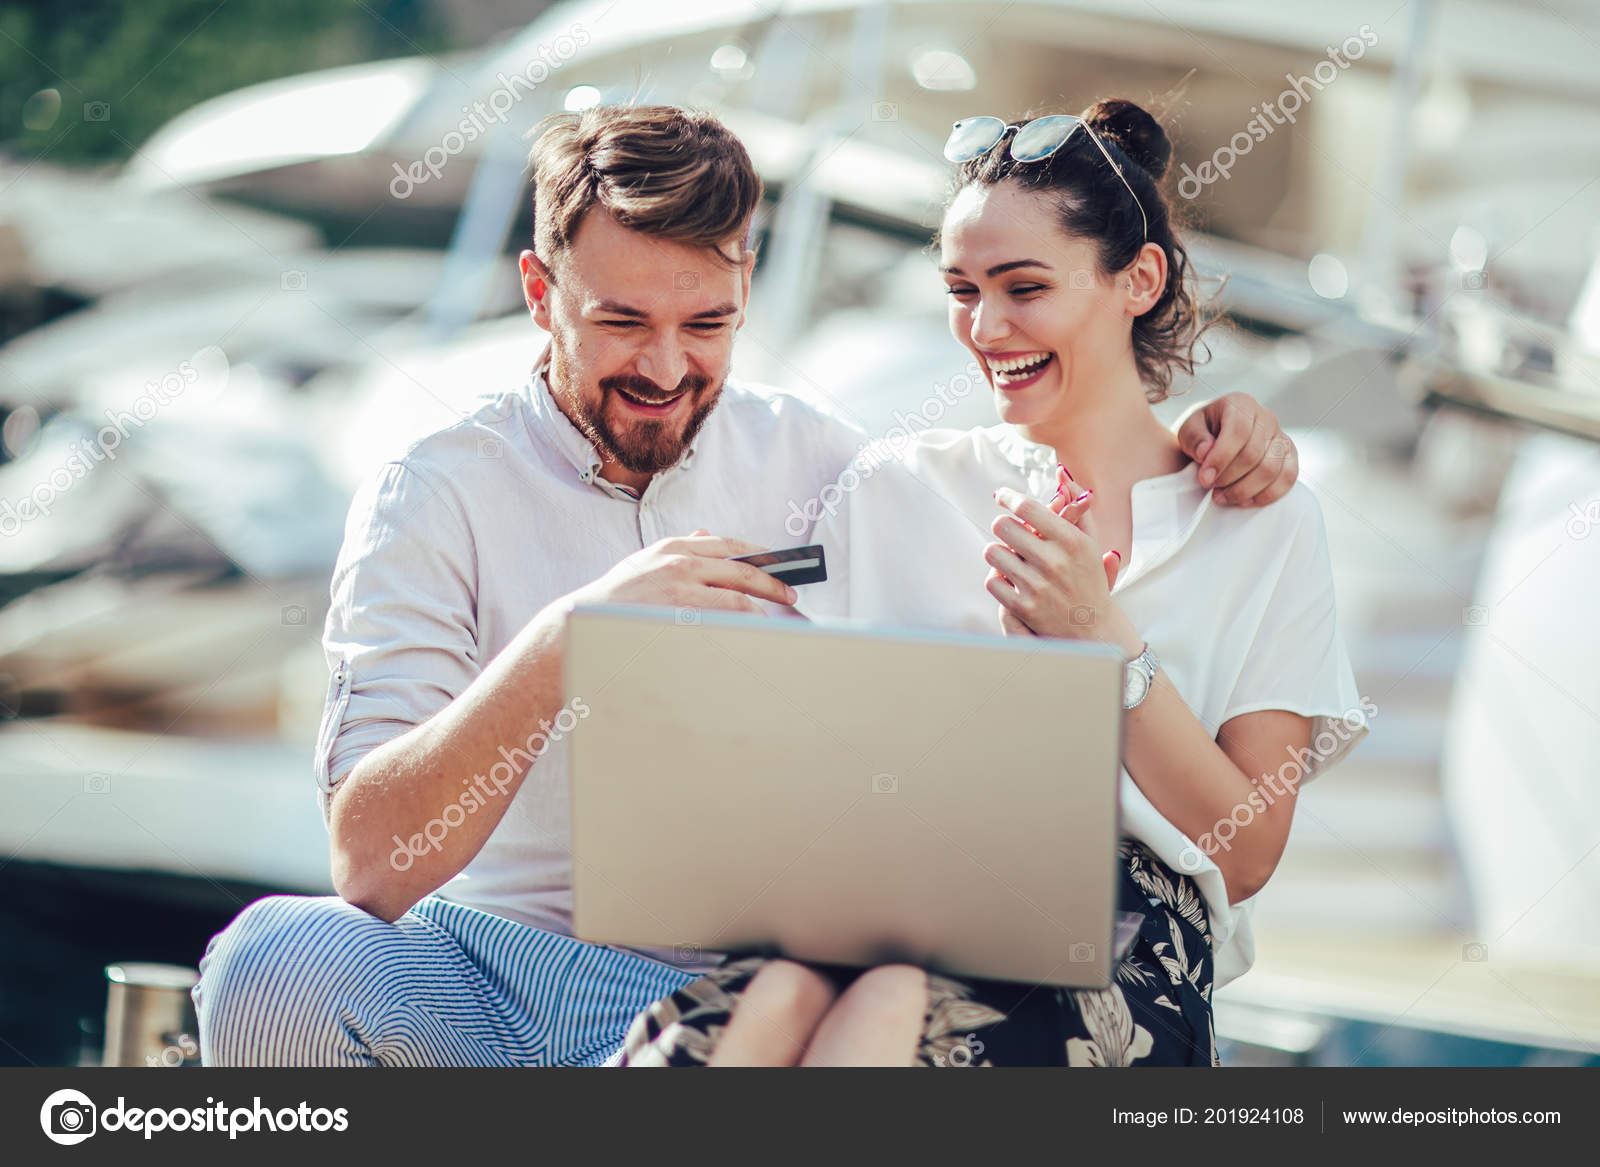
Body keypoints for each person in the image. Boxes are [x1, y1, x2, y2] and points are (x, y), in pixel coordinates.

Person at [192, 104, 1300, 1067]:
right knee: (272, 960)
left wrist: (1222, 432)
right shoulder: (432, 491)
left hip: (718, 989)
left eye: (706, 325)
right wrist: (570, 639)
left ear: (747, 284)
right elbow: (373, 868)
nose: (666, 368)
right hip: (477, 968)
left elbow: (1048, 479)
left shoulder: (832, 468)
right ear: (540, 291)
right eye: (621, 322)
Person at [617, 100, 1365, 1068]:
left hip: (1123, 934)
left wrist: (1104, 646)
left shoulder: (1261, 521)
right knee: (775, 1003)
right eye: (961, 289)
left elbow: (1247, 850)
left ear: (1138, 280)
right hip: (887, 896)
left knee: (888, 1009)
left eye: (1024, 287)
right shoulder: (898, 485)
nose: (985, 326)